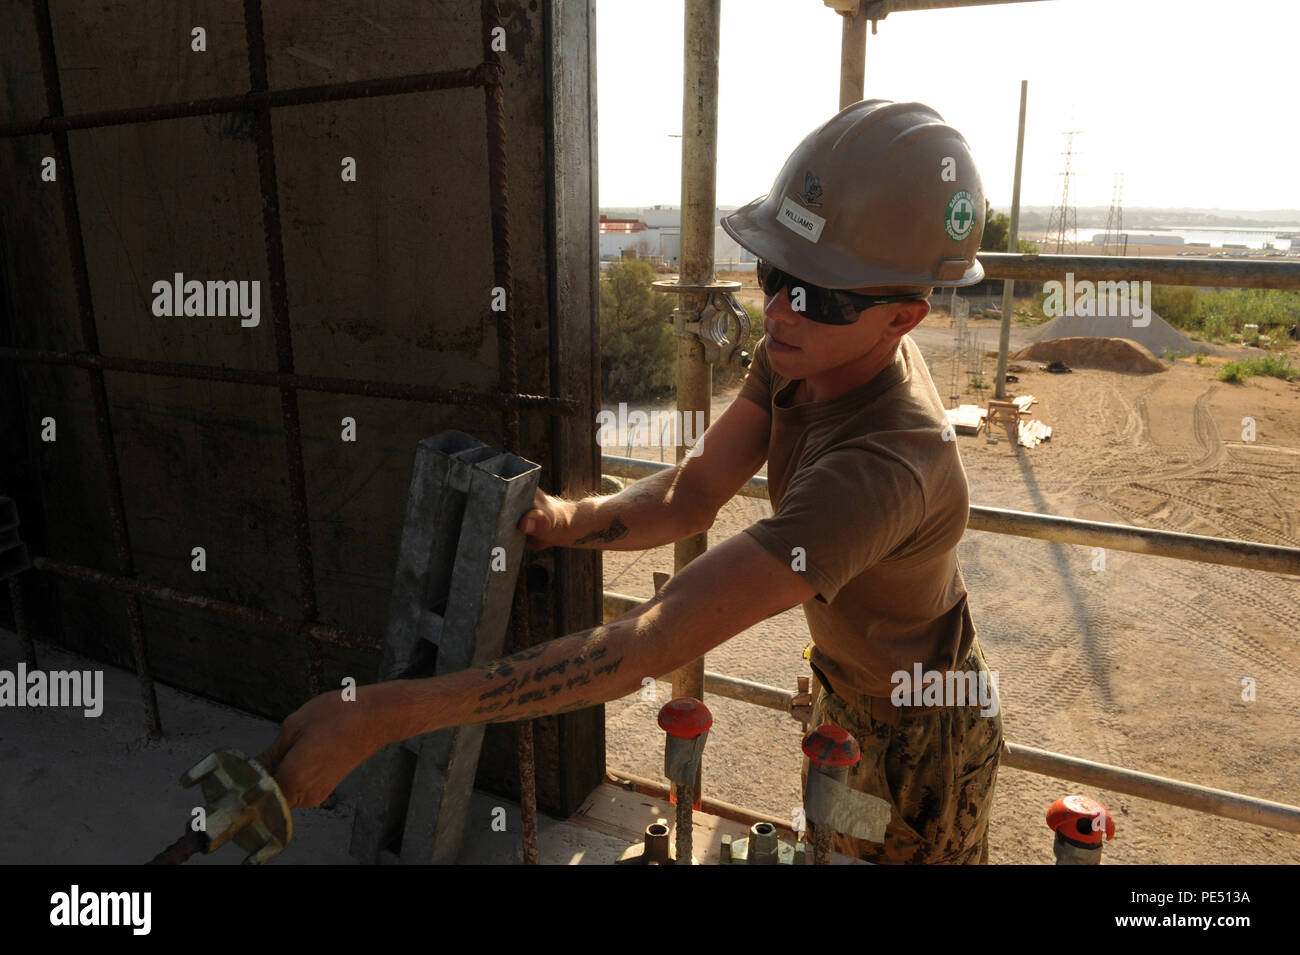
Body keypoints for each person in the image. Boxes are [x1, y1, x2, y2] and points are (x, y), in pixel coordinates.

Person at [258, 99, 1003, 864]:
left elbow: (648, 642)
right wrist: (571, 518)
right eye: (776, 271)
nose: (779, 308)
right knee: (835, 844)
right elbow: (692, 491)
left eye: (822, 293)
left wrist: (379, 715)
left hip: (918, 733)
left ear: (904, 318)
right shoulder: (805, 351)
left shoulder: (881, 468)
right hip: (849, 689)